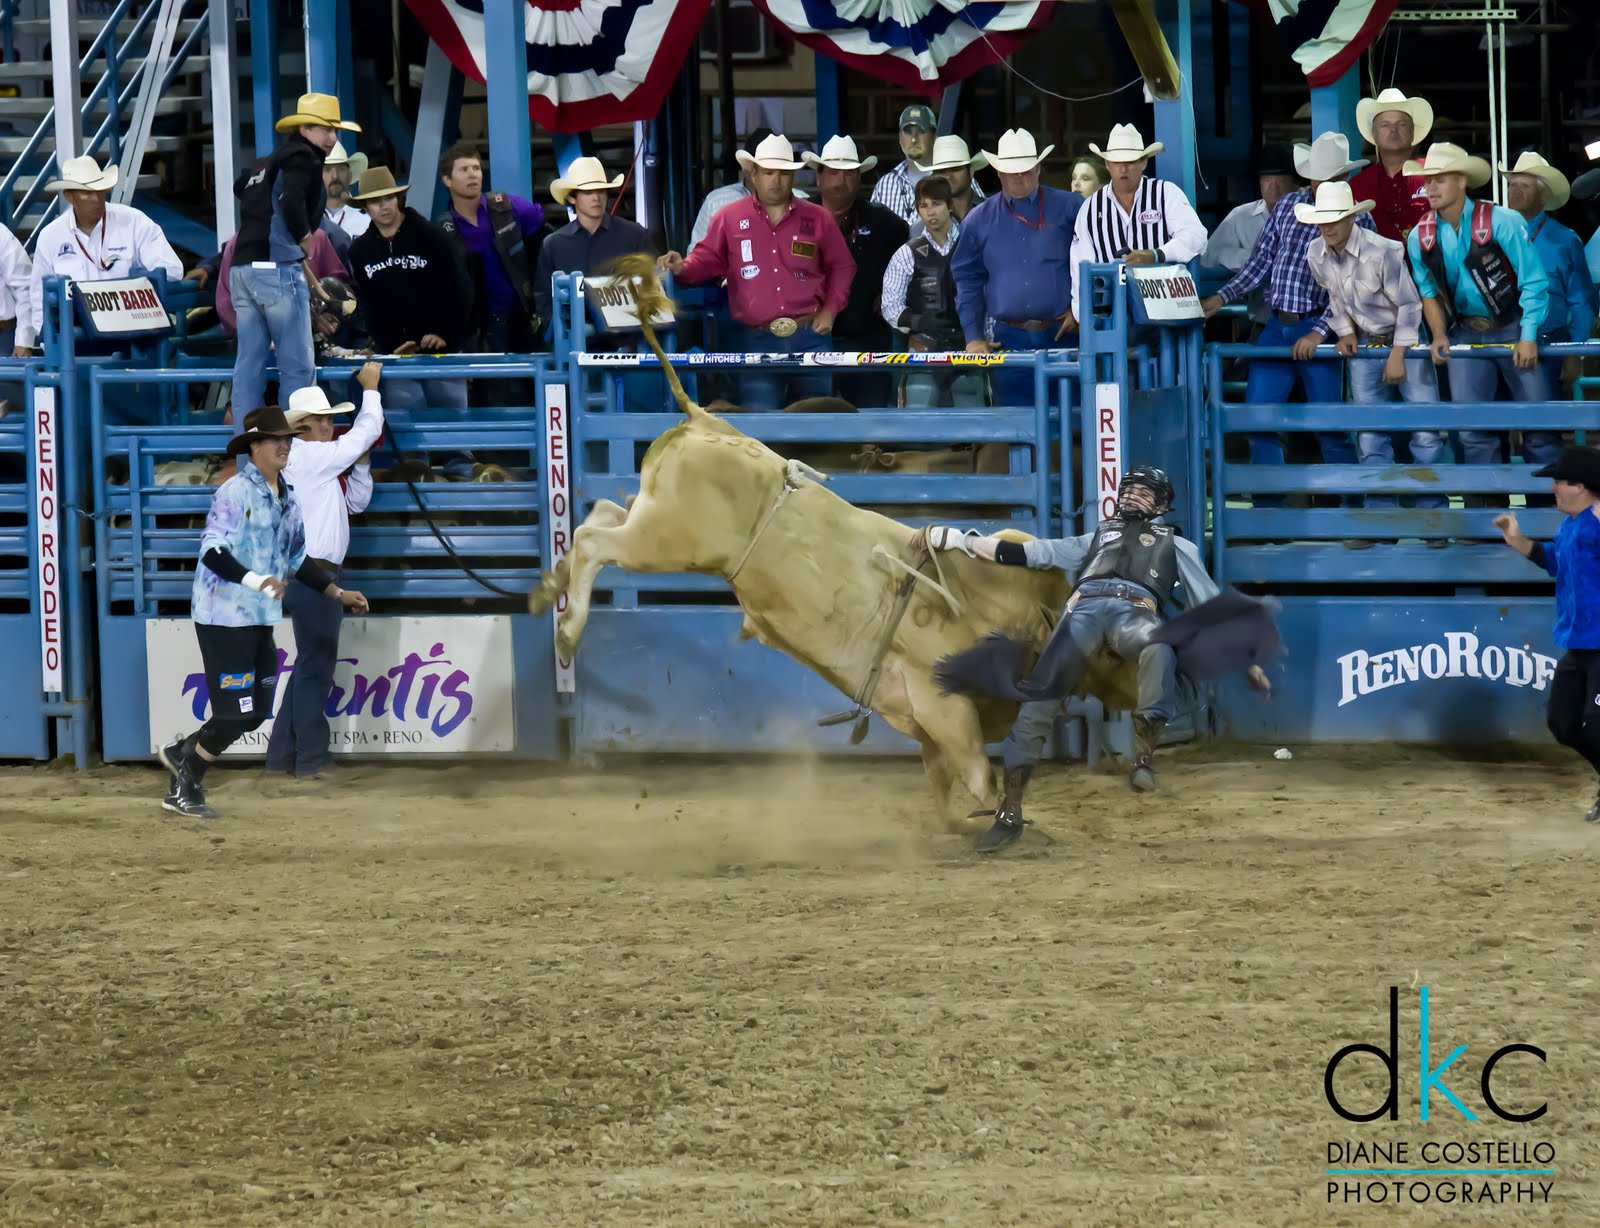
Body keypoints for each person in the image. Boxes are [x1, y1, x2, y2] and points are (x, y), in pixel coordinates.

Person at [925, 467, 1270, 852]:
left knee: (1160, 646)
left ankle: (1144, 756)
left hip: (1135, 613)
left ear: (1161, 506)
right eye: (1131, 489)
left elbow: (1208, 606)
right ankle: (1010, 812)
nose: (1135, 496)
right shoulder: (1096, 537)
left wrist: (1248, 660)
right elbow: (1029, 553)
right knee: (1037, 706)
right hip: (1083, 613)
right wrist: (961, 540)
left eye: (1145, 492)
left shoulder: (1178, 546)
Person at [158, 407, 369, 819]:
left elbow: (298, 556)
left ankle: (183, 753)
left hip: (257, 616)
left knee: (254, 712)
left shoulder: (286, 496)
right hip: (223, 616)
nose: (285, 445)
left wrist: (336, 592)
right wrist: (257, 581)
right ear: (255, 446)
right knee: (237, 713)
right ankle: (188, 781)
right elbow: (213, 549)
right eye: (276, 439)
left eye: (288, 439)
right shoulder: (235, 492)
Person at [1201, 134, 1375, 498]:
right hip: (1277, 323)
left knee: (1329, 425)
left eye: (1331, 177)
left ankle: (1353, 509)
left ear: (1343, 178)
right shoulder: (1287, 207)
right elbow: (1260, 263)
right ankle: (1270, 512)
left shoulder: (1360, 220)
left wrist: (1319, 332)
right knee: (1258, 418)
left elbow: (1355, 287)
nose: (1323, 183)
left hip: (1320, 327)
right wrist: (1222, 296)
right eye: (1319, 177)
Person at [660, 134, 854, 412]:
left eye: (784, 173)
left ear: (793, 177)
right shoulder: (729, 217)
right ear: (754, 174)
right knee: (760, 427)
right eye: (769, 172)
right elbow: (707, 259)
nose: (776, 180)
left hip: (810, 335)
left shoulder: (817, 217)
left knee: (815, 425)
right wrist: (682, 268)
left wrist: (831, 309)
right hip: (755, 338)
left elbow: (842, 265)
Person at [1406, 142, 1552, 508]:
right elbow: (1428, 293)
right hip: (1464, 332)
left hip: (1513, 327)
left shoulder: (1503, 221)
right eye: (1429, 180)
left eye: (1440, 179)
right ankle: (1489, 513)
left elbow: (1533, 280)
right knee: (1472, 429)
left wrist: (1529, 334)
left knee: (1538, 426)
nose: (1432, 188)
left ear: (1461, 181)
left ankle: (1549, 512)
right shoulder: (1418, 237)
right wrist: (1438, 333)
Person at [1299, 180, 1444, 538]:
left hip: (1405, 342)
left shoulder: (1383, 251)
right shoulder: (1316, 253)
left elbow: (1410, 305)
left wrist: (1398, 353)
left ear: (1352, 218)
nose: (1328, 226)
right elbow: (1334, 296)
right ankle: (1381, 518)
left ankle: (1434, 519)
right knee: (1369, 435)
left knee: (1425, 431)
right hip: (1365, 344)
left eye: (1335, 218)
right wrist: (1345, 331)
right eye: (1323, 220)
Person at [265, 364, 386, 780]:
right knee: (315, 669)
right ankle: (312, 762)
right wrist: (370, 389)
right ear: (304, 426)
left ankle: (280, 759)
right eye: (326, 420)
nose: (332, 425)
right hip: (315, 573)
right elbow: (366, 432)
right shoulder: (310, 457)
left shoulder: (310, 463)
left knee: (308, 668)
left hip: (309, 573)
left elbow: (354, 503)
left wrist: (361, 464)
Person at [231, 93, 358, 419]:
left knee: (248, 368)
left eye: (334, 131)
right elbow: (291, 201)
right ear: (304, 128)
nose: (331, 138)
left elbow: (240, 186)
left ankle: (251, 461)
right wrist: (304, 237)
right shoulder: (303, 158)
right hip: (276, 268)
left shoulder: (272, 162)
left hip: (243, 268)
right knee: (298, 369)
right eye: (324, 129)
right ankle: (297, 459)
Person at [1494, 446, 1600, 822]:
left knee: (1595, 723)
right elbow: (1555, 561)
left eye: (1559, 480)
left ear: (1581, 486)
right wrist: (1518, 541)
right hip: (1579, 643)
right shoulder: (1571, 525)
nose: (1553, 486)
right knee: (1562, 723)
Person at [950, 129, 1079, 409]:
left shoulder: (1072, 208)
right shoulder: (977, 221)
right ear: (998, 172)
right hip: (1010, 340)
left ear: (1038, 168)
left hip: (1065, 334)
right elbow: (966, 279)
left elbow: (1096, 259)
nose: (1020, 176)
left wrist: (1082, 308)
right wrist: (973, 338)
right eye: (1012, 171)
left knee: (1076, 424)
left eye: (1026, 170)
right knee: (1016, 426)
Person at [346, 166, 474, 413]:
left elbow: (461, 290)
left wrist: (445, 335)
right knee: (409, 439)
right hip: (397, 356)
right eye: (375, 201)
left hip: (443, 352)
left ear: (398, 199)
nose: (384, 206)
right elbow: (372, 307)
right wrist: (393, 344)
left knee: (453, 437)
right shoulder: (360, 251)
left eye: (389, 198)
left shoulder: (433, 237)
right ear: (365, 207)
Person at [1068, 123, 1208, 334]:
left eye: (1131, 162)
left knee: (1167, 358)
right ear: (1107, 164)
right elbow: (1080, 266)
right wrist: (1086, 321)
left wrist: (1157, 254)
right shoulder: (1090, 208)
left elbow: (1197, 236)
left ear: (1143, 162)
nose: (1123, 169)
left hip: (1165, 313)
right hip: (1112, 316)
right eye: (1117, 162)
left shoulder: (1165, 193)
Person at [30, 155, 182, 345]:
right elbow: (38, 296)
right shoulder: (50, 236)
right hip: (75, 338)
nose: (97, 198)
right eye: (88, 193)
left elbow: (173, 270)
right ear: (69, 197)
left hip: (131, 335)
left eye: (100, 191)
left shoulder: (134, 222)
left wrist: (130, 290)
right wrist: (49, 346)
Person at [805, 134, 908, 407]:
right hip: (809, 341)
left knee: (870, 425)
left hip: (866, 342)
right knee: (810, 420)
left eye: (849, 173)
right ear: (819, 177)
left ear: (859, 178)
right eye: (834, 172)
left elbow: (909, 264)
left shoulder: (887, 225)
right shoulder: (798, 218)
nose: (840, 181)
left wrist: (890, 293)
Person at [881, 177, 985, 407]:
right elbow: (890, 304)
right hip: (924, 346)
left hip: (968, 344)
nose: (930, 212)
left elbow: (988, 292)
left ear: (949, 205)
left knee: (973, 421)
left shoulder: (973, 246)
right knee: (918, 418)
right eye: (923, 206)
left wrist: (985, 336)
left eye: (936, 203)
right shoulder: (907, 253)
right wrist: (918, 321)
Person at [436, 141, 546, 352]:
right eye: (464, 169)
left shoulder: (510, 207)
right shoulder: (444, 230)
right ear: (447, 180)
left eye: (476, 168)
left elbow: (546, 241)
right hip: (482, 331)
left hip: (526, 320)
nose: (473, 174)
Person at [1502, 151, 1596, 397]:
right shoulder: (1491, 234)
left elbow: (1581, 301)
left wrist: (1574, 351)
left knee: (1542, 427)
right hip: (1498, 341)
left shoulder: (1565, 241)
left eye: (1525, 185)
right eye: (1512, 184)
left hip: (1548, 343)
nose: (1515, 190)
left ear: (1543, 196)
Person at [532, 157, 656, 332]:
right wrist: (565, 334)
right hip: (575, 344)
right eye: (588, 192)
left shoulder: (634, 235)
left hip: (629, 342)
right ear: (572, 198)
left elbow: (655, 285)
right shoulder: (553, 244)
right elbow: (543, 299)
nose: (596, 198)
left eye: (601, 191)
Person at [687, 128, 810, 255]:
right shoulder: (717, 201)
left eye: (780, 170)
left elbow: (812, 252)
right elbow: (696, 254)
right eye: (767, 171)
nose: (774, 179)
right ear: (747, 168)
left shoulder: (801, 202)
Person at [1200, 143, 1299, 280]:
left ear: (1295, 184)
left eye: (1281, 180)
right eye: (1267, 180)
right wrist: (1252, 258)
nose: (1273, 187)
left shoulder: (1308, 215)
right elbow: (1210, 255)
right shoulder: (1241, 215)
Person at [1349, 88, 1433, 242]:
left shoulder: (1434, 172)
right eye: (1385, 125)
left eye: (1401, 124)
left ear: (1413, 131)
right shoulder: (1357, 186)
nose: (1393, 130)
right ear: (1373, 133)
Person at [870, 103, 937, 226]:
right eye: (908, 132)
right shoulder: (885, 184)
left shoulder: (951, 176)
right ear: (900, 137)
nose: (914, 139)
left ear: (934, 136)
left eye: (921, 131)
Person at [915, 135, 987, 223]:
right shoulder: (923, 227)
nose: (948, 176)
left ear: (971, 172)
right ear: (934, 177)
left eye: (955, 169)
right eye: (941, 171)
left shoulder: (992, 212)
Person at [322, 142, 370, 240]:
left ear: (350, 175)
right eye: (327, 169)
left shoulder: (368, 218)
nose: (335, 175)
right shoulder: (306, 217)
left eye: (341, 169)